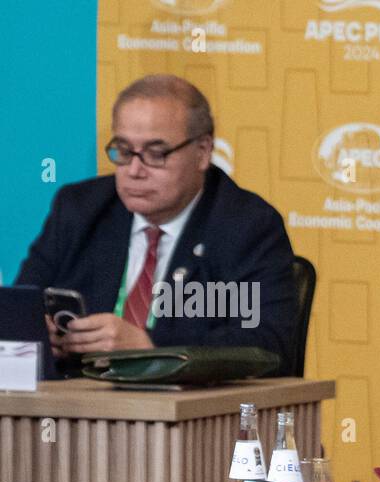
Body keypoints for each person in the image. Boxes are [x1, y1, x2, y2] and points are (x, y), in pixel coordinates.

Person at [16, 74, 298, 376]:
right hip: (78, 408)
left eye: (156, 154)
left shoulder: (246, 226)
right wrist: (38, 335)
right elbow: (17, 309)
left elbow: (268, 347)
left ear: (202, 152)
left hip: (190, 415)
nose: (135, 171)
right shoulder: (79, 210)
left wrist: (151, 344)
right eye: (124, 151)